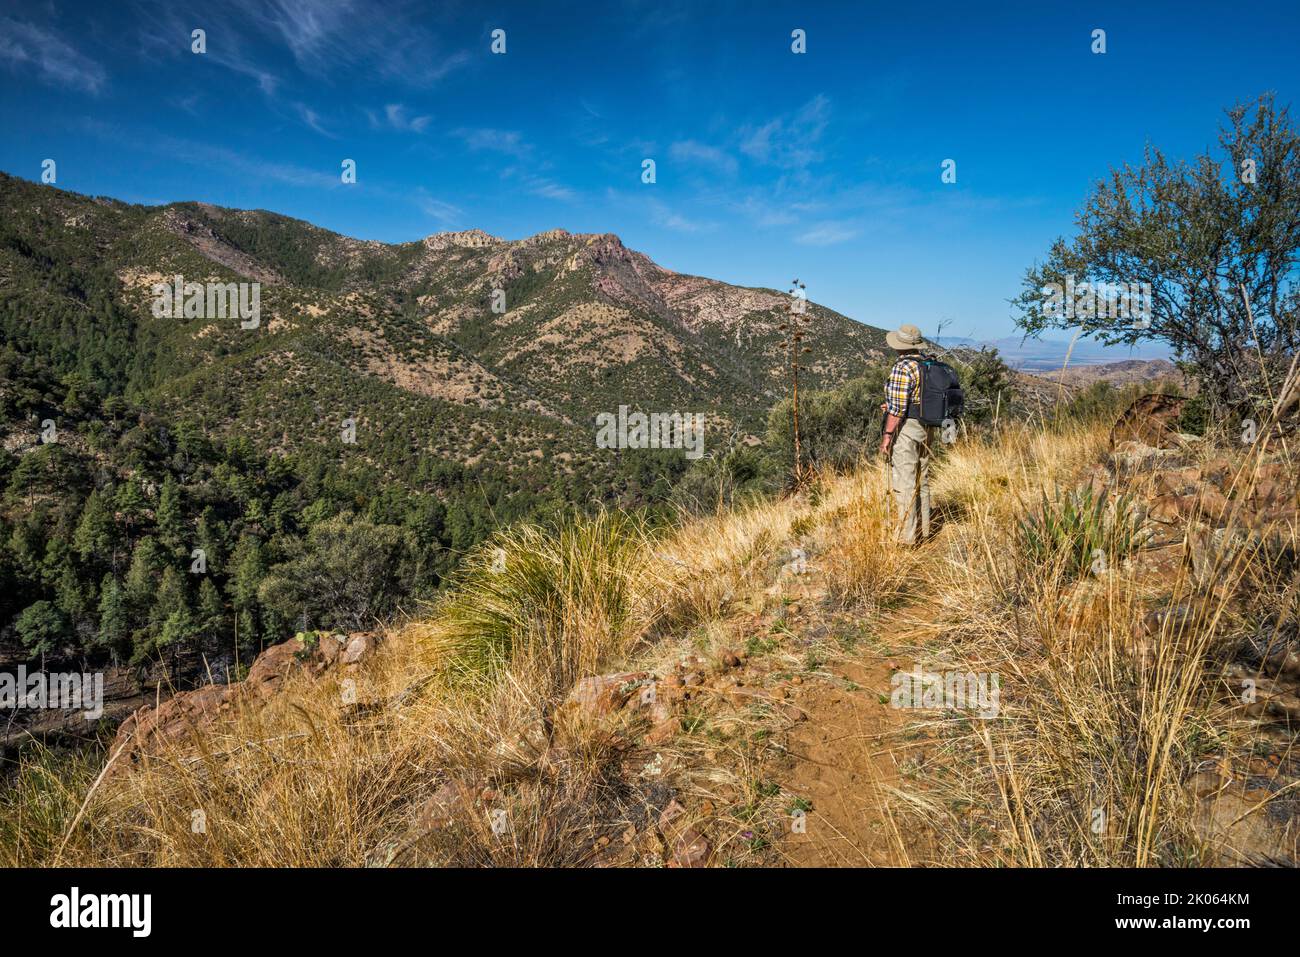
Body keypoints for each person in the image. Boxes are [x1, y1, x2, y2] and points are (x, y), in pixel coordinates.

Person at [878, 323, 933, 545]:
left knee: (905, 481)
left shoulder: (903, 368)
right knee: (923, 479)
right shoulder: (926, 365)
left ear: (900, 346)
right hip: (927, 426)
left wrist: (887, 437)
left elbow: (898, 409)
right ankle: (925, 530)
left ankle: (906, 539)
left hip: (907, 429)